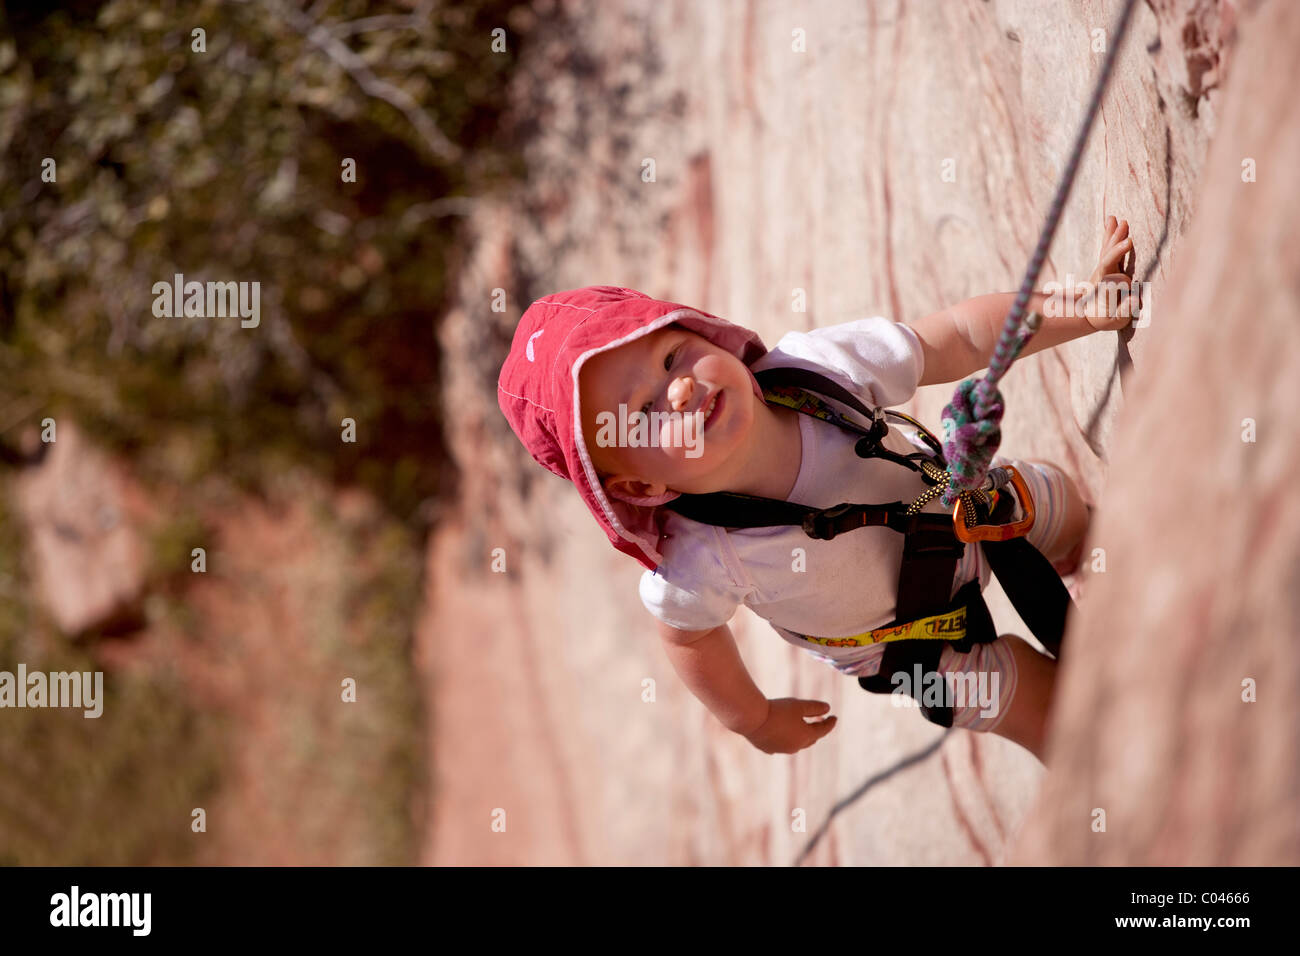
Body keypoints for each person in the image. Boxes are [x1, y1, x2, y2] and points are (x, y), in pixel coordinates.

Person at [497, 216, 1139, 762]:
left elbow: (956, 338)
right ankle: (1111, 770)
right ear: (640, 484)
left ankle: (1088, 559)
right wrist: (751, 717)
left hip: (961, 514)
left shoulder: (817, 371)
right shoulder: (702, 558)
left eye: (672, 358)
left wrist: (1077, 307)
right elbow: (686, 635)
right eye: (644, 414)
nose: (682, 389)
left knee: (1045, 497)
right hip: (909, 645)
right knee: (1023, 702)